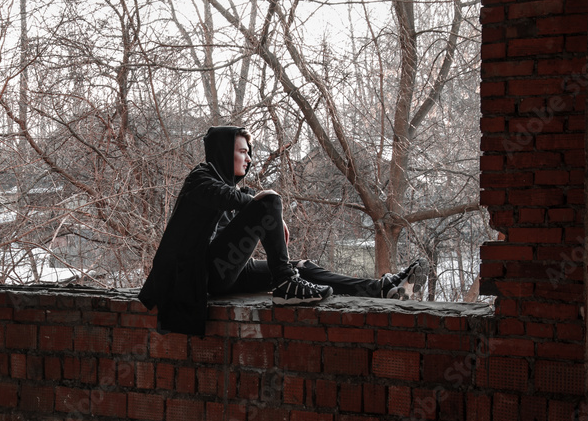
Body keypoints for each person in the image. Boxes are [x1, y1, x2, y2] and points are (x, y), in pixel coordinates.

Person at [138, 125, 428, 336]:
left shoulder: (228, 185)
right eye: (242, 151)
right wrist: (265, 205)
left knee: (304, 266)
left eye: (249, 152)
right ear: (224, 152)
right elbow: (229, 199)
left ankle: (383, 290)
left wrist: (265, 208)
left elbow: (244, 203)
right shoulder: (200, 179)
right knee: (270, 199)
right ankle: (286, 285)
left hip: (226, 271)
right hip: (201, 277)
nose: (249, 158)